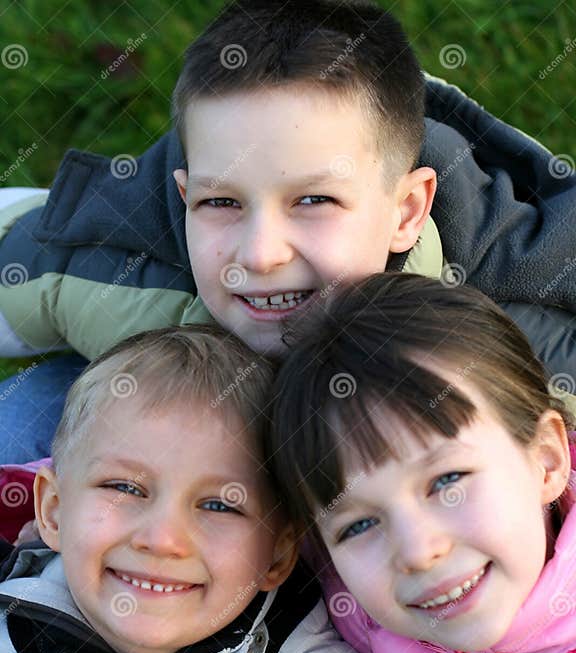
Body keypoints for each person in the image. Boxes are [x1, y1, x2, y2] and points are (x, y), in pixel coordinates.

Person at [0, 322, 536, 653]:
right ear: (53, 509)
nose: (161, 539)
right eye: (125, 488)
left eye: (219, 505)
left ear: (279, 554)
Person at [2, 0, 576, 462]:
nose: (259, 253)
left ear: (405, 212)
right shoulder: (130, 287)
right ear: (184, 200)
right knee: (24, 416)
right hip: (189, 449)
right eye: (221, 201)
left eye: (313, 200)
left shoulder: (490, 335)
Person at [267, 272, 576, 653]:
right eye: (359, 525)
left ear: (545, 461)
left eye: (447, 482)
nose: (415, 550)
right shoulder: (357, 603)